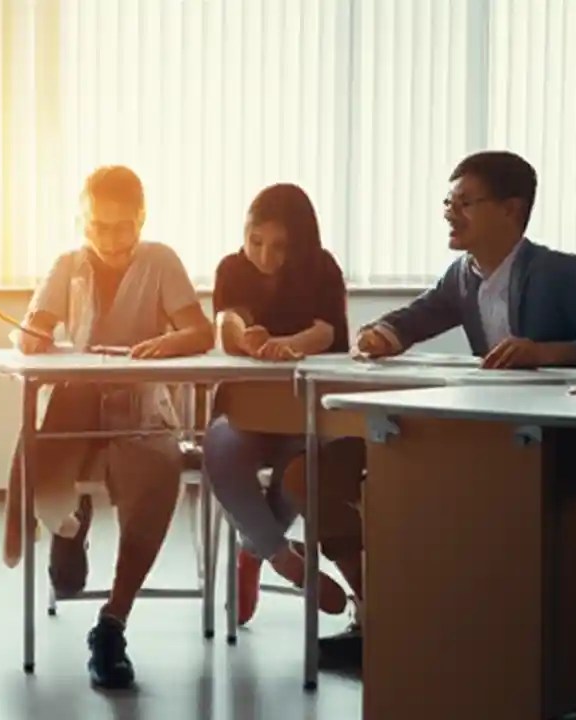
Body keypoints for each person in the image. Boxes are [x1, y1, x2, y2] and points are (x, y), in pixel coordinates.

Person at [6, 165, 214, 689]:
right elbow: (35, 329)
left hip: (139, 405)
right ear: (82, 219)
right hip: (74, 407)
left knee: (162, 467)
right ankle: (67, 524)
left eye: (122, 227)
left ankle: (112, 621)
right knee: (42, 447)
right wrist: (31, 337)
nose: (109, 239)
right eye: (97, 225)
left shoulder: (160, 260)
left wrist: (170, 341)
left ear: (142, 219)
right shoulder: (67, 263)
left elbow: (199, 329)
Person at [200, 184, 365, 656]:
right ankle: (281, 556)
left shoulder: (322, 268)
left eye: (279, 246)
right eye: (255, 241)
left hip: (300, 410)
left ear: (301, 245)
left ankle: (254, 547)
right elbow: (227, 318)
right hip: (244, 408)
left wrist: (291, 343)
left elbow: (327, 331)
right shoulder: (232, 268)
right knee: (221, 448)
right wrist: (247, 337)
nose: (264, 256)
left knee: (301, 467)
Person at [358, 150, 576, 369]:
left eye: (464, 204)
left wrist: (545, 354)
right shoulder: (461, 276)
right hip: (492, 403)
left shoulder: (559, 272)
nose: (450, 214)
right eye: (448, 203)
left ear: (510, 210)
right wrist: (378, 336)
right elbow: (418, 317)